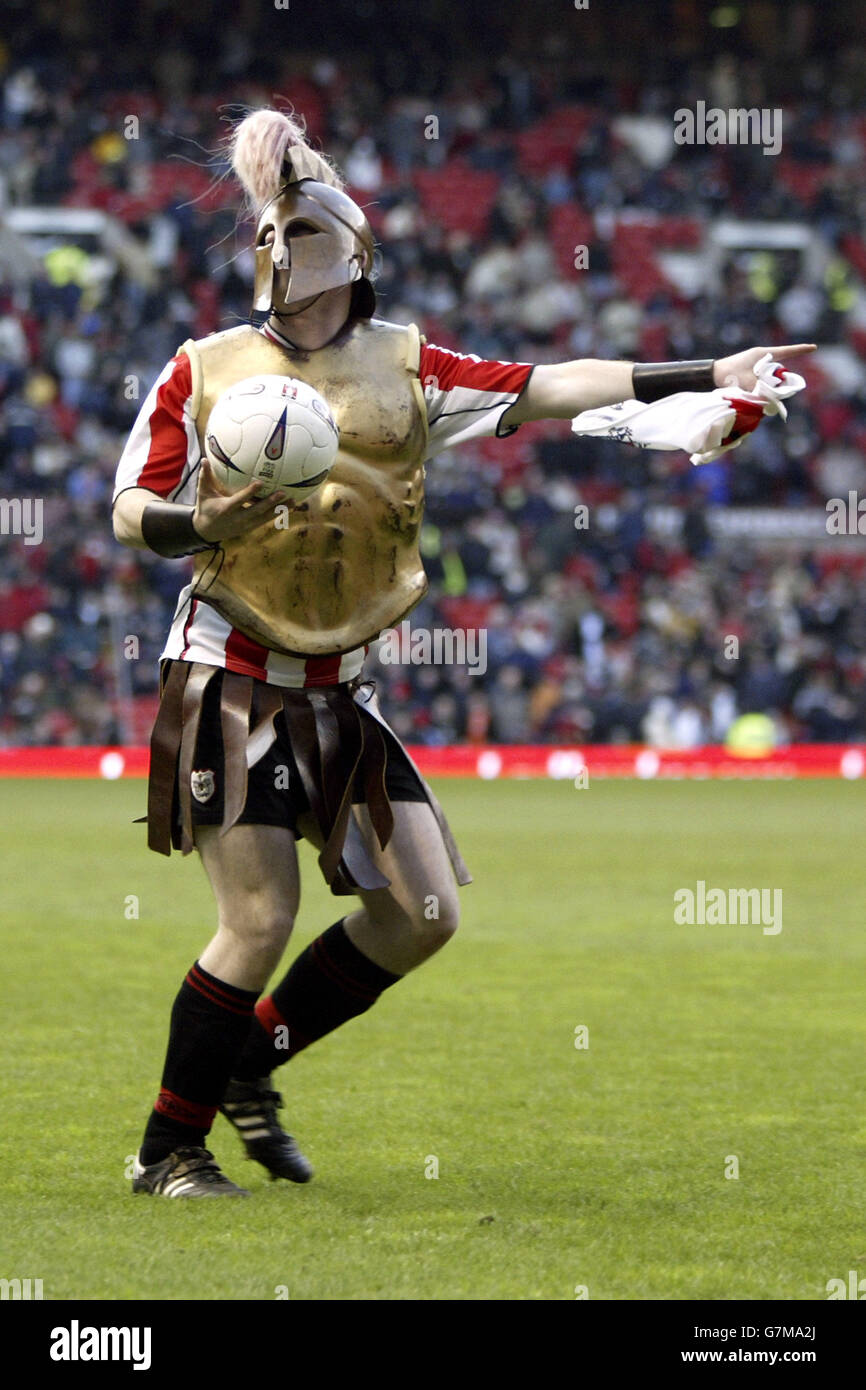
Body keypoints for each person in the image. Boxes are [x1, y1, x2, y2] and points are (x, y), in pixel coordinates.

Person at [111, 106, 815, 1197]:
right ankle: (167, 1151)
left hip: (341, 684)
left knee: (424, 911)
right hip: (234, 670)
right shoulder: (204, 367)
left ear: (343, 261)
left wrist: (703, 370)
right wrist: (207, 525)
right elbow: (129, 510)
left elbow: (551, 384)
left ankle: (251, 1061)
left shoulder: (409, 365)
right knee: (256, 920)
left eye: (295, 248)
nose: (283, 269)